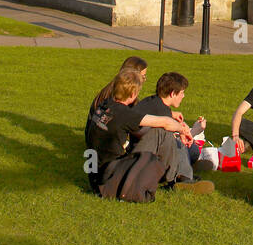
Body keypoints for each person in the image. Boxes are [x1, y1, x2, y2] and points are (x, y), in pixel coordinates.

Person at [85, 71, 213, 198]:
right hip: (109, 179)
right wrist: (183, 130)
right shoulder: (124, 114)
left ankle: (183, 172)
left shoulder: (105, 105)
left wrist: (172, 116)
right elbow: (166, 122)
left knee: (160, 131)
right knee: (161, 132)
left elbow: (138, 122)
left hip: (95, 176)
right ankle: (177, 180)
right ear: (133, 93)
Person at [133, 72, 206, 183]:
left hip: (140, 150)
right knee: (186, 148)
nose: (183, 96)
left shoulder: (151, 101)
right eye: (182, 93)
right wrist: (187, 131)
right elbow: (168, 142)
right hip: (146, 155)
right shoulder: (162, 112)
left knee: (191, 150)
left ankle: (185, 172)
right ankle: (183, 178)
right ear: (172, 93)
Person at [88, 56, 148, 120]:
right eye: (143, 76)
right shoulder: (117, 97)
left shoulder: (111, 89)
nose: (145, 79)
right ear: (132, 76)